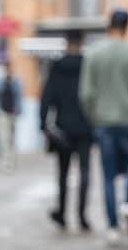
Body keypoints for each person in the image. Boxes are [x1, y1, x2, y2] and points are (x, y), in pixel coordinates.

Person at [81, 9, 128, 244]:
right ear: (127, 26)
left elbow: (86, 94)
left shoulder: (93, 55)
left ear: (108, 25)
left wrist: (94, 118)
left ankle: (113, 226)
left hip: (104, 122)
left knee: (109, 174)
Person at [39, 30, 93, 231]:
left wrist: (43, 123)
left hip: (63, 127)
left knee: (63, 174)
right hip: (86, 126)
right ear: (82, 42)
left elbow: (47, 95)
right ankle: (82, 215)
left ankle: (62, 213)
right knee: (85, 172)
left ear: (66, 43)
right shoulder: (87, 65)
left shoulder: (57, 66)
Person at [0, 62, 21, 173]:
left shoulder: (16, 82)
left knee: (12, 139)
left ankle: (12, 161)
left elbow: (19, 97)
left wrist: (19, 111)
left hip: (13, 114)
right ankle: (6, 164)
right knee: (4, 139)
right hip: (2, 114)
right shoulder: (0, 82)